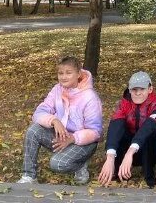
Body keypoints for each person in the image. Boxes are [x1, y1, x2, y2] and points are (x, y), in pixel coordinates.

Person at [18, 56, 102, 185]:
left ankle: (80, 166)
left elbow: (95, 132)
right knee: (33, 130)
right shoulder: (57, 89)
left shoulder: (90, 97)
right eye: (60, 73)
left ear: (78, 74)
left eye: (69, 73)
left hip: (84, 142)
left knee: (57, 164)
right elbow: (39, 113)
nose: (64, 77)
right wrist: (54, 121)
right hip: (62, 136)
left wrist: (72, 138)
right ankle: (29, 176)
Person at [98, 71, 156, 187]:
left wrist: (130, 152)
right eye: (134, 90)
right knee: (118, 124)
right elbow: (115, 125)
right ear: (129, 90)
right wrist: (109, 156)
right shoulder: (124, 102)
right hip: (128, 147)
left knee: (149, 131)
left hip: (148, 150)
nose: (138, 93)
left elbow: (149, 127)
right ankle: (114, 166)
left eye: (142, 89)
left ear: (150, 89)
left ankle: (148, 174)